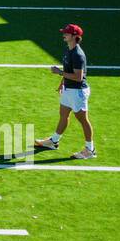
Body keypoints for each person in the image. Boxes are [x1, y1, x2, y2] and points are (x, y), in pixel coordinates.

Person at [33, 22, 94, 159]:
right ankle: (53, 141)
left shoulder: (78, 55)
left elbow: (78, 77)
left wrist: (59, 73)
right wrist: (62, 82)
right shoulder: (69, 50)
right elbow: (69, 70)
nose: (63, 34)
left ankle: (90, 149)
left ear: (74, 36)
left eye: (66, 33)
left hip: (77, 91)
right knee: (63, 114)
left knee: (83, 119)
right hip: (69, 89)